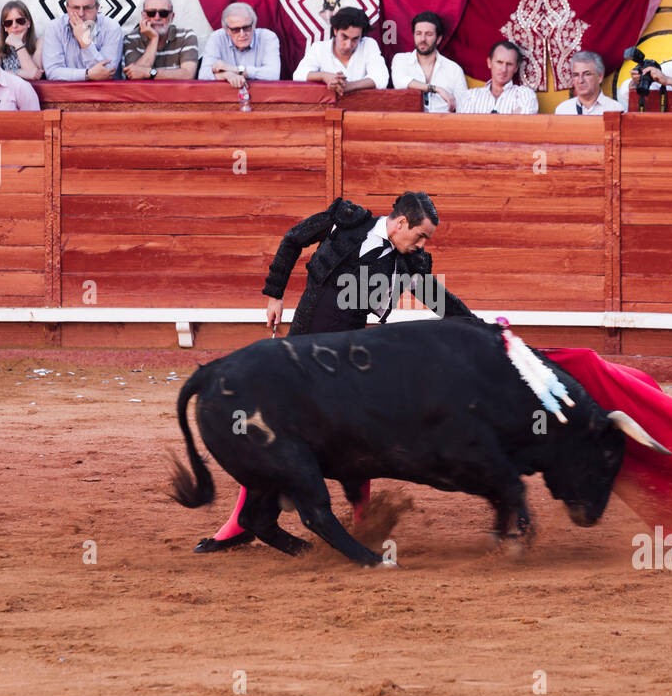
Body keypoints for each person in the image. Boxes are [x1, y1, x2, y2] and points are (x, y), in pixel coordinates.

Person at [195, 190, 475, 553]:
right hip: (296, 352)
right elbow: (294, 238)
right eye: (420, 235)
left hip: (344, 364)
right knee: (266, 431)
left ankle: (364, 521)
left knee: (357, 437)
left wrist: (479, 328)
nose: (422, 245)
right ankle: (239, 524)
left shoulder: (409, 263)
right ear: (401, 222)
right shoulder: (346, 221)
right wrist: (274, 294)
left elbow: (440, 301)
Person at [294, 6, 389, 93]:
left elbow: (381, 78)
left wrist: (349, 86)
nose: (348, 45)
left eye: (355, 39)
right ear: (335, 30)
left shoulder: (368, 45)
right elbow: (298, 75)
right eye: (344, 37)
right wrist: (325, 76)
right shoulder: (319, 48)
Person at [42, 0, 124, 81]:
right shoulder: (54, 27)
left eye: (87, 8)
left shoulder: (111, 27)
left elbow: (107, 72)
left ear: (97, 8)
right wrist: (87, 74)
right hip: (68, 93)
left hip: (104, 93)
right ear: (67, 8)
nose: (81, 14)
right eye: (75, 8)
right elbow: (52, 73)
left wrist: (85, 42)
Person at [390, 11, 468, 112]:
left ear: (438, 39)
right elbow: (400, 81)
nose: (423, 39)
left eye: (429, 34)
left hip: (443, 124)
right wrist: (437, 89)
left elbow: (464, 106)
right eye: (418, 33)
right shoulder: (401, 59)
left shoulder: (454, 69)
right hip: (409, 124)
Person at [198, 1, 282, 84]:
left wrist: (236, 69)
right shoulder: (217, 38)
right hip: (226, 95)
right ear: (227, 30)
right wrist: (226, 75)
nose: (242, 34)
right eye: (235, 30)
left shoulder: (268, 37)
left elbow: (273, 75)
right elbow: (203, 76)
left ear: (254, 25)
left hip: (262, 95)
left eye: (246, 28)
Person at [122, 0, 199, 81]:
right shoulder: (131, 40)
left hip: (177, 94)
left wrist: (150, 72)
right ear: (143, 16)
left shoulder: (186, 37)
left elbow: (188, 75)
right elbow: (134, 77)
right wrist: (154, 39)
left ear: (172, 17)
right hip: (143, 94)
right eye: (151, 13)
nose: (157, 17)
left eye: (163, 13)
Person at [459, 39, 538, 113]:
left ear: (516, 68)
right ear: (489, 63)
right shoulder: (470, 97)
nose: (504, 69)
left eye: (509, 64)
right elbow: (464, 126)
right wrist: (512, 117)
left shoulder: (525, 95)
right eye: (499, 62)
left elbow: (524, 126)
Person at [555, 51, 624, 114]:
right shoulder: (563, 110)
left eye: (587, 74)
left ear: (600, 77)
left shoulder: (615, 109)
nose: (580, 81)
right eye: (576, 75)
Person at [0, 0, 44, 79]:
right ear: (4, 27)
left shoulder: (39, 42)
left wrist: (18, 44)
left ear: (28, 22)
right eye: (8, 23)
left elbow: (35, 76)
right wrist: (19, 72)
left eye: (20, 21)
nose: (14, 26)